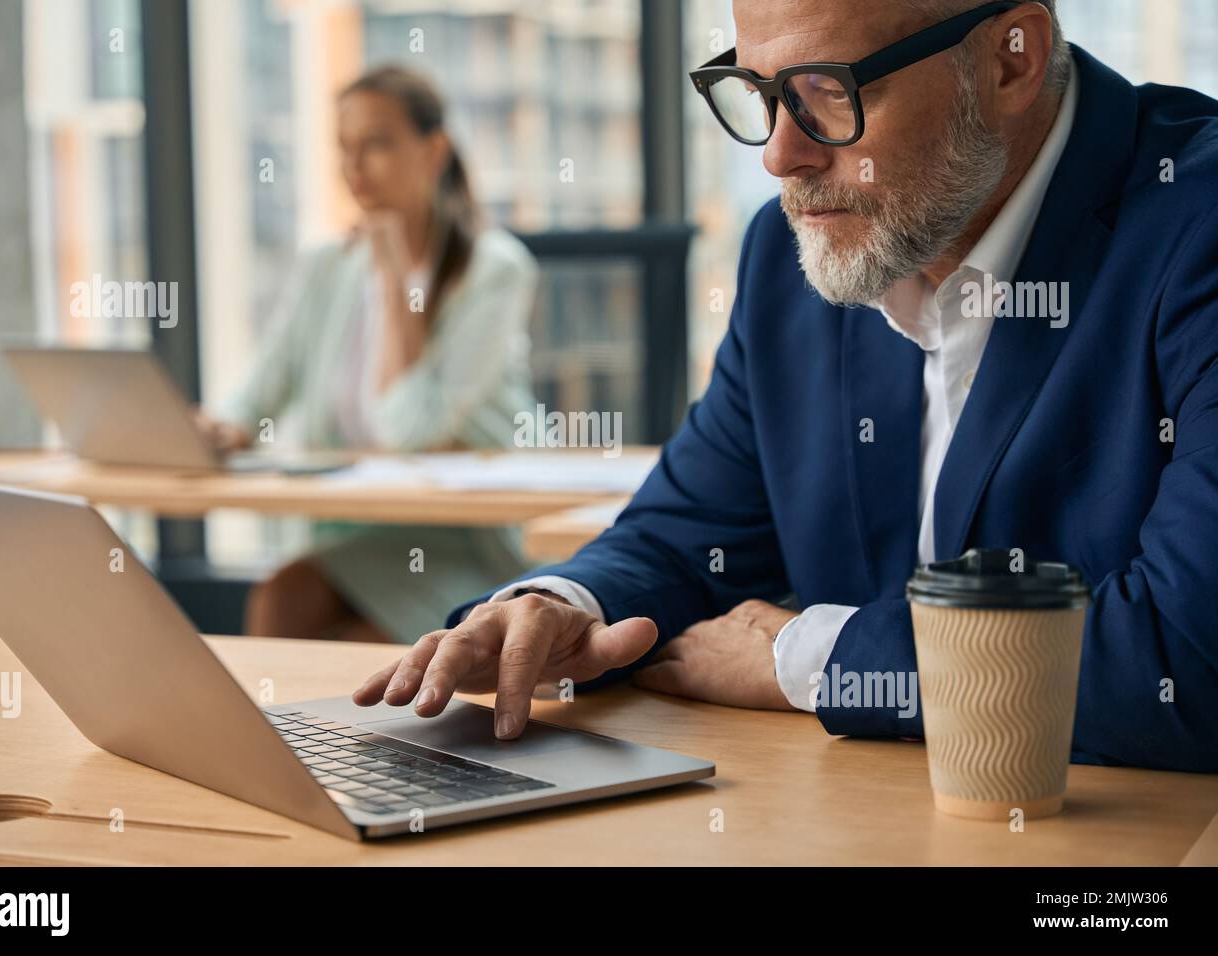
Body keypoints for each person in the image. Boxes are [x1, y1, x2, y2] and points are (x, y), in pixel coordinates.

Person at [354, 0, 1218, 773]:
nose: (778, 156)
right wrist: (559, 606)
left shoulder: (1196, 221)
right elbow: (689, 530)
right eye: (755, 92)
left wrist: (810, 657)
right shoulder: (794, 254)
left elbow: (1189, 655)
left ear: (1010, 60)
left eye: (827, 91)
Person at [197, 65, 539, 644]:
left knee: (359, 652)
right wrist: (217, 427)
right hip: (348, 533)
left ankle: (327, 736)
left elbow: (413, 428)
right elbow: (261, 389)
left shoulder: (494, 270)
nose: (355, 167)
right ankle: (266, 736)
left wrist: (395, 280)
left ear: (433, 152)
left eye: (376, 144)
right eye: (344, 148)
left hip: (456, 539)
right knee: (280, 595)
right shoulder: (326, 267)